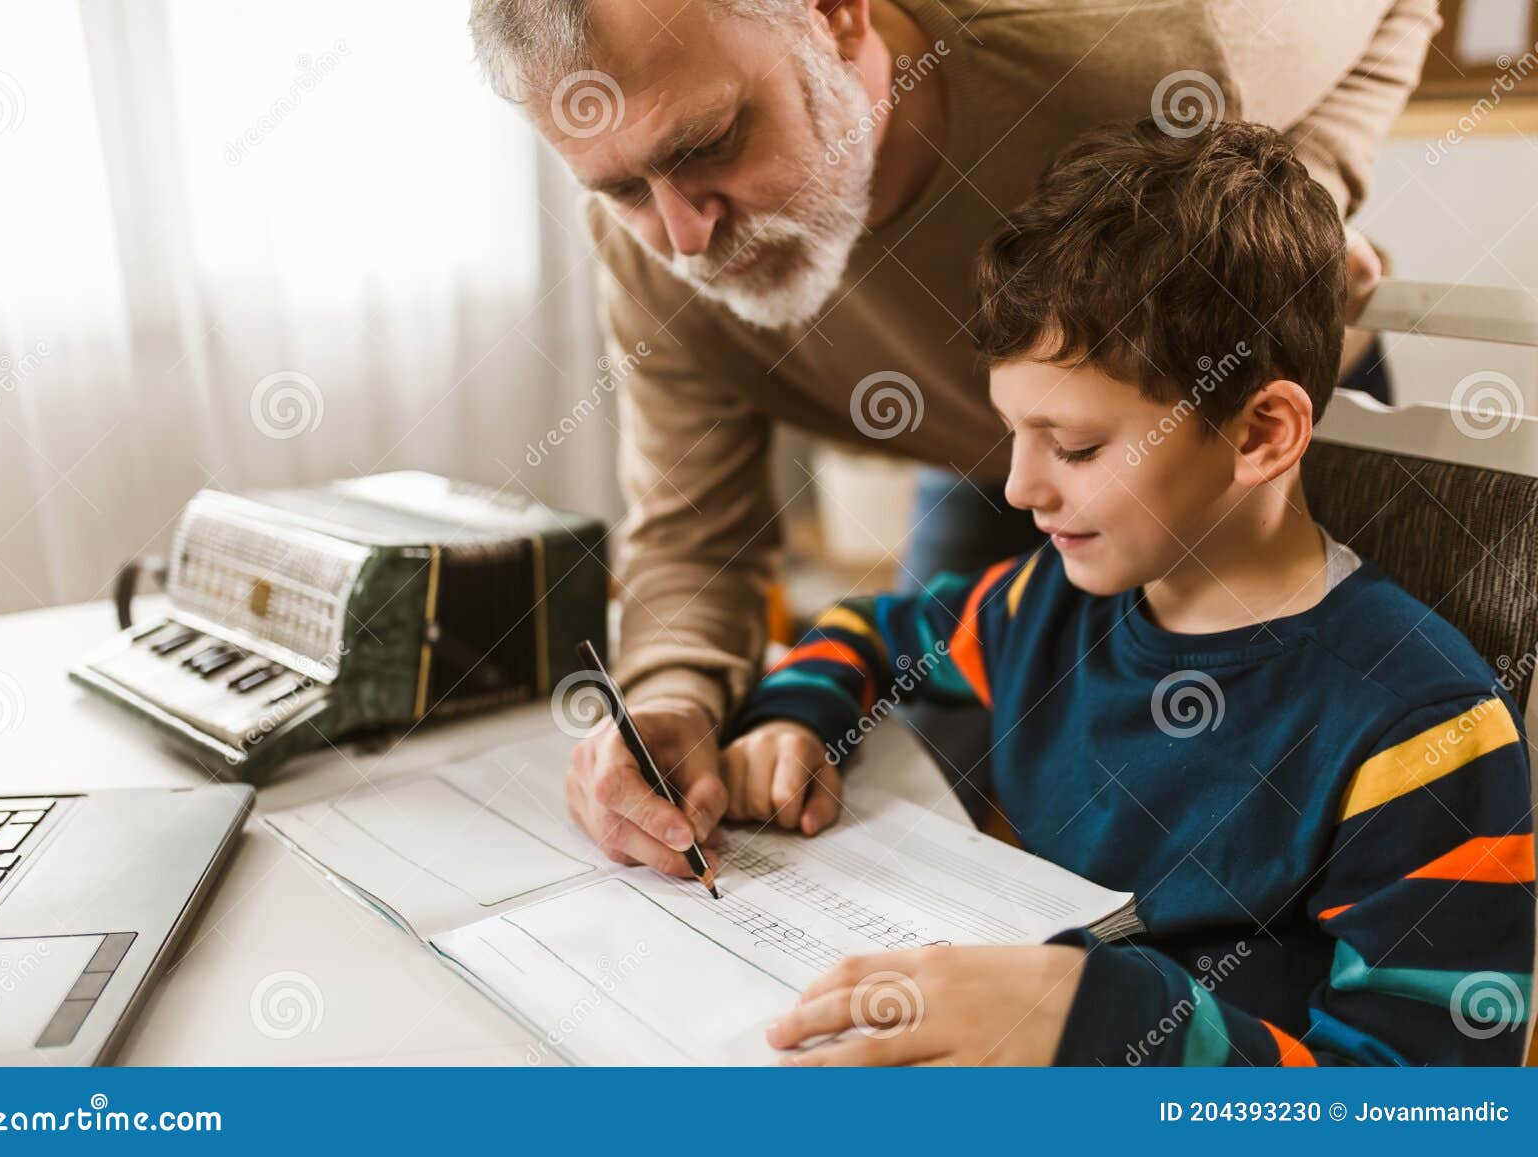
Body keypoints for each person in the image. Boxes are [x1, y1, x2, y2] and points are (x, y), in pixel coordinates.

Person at [469, 0, 1439, 875]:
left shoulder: (1140, 47)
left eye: (711, 142)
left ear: (833, 17)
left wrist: (1303, 204)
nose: (683, 236)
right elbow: (694, 533)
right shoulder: (655, 260)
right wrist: (671, 701)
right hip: (988, 459)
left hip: (1244, 451)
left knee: (1328, 808)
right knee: (949, 800)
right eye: (621, 189)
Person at [716, 119, 1534, 1066]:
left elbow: (1433, 1105)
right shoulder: (1042, 606)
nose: (1018, 487)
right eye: (1015, 433)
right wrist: (797, 716)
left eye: (1075, 447)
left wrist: (1099, 1018)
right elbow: (872, 631)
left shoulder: (1425, 734)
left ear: (1261, 433)